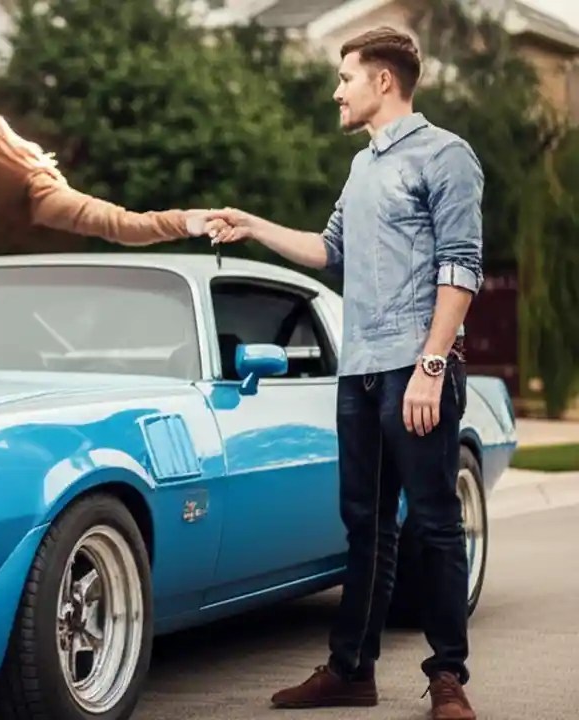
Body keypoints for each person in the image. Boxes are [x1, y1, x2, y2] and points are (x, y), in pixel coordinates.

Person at [204, 27, 483, 720]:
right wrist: (252, 225)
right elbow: (328, 251)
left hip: (414, 371)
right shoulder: (363, 168)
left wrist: (430, 364)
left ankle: (448, 678)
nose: (337, 90)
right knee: (366, 526)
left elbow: (462, 267)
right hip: (357, 374)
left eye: (345, 76)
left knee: (437, 524)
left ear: (382, 81)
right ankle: (351, 670)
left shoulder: (446, 156)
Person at [0, 114, 209, 244]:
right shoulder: (41, 195)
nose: (24, 141)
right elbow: (127, 226)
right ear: (1, 154)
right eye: (9, 135)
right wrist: (197, 222)